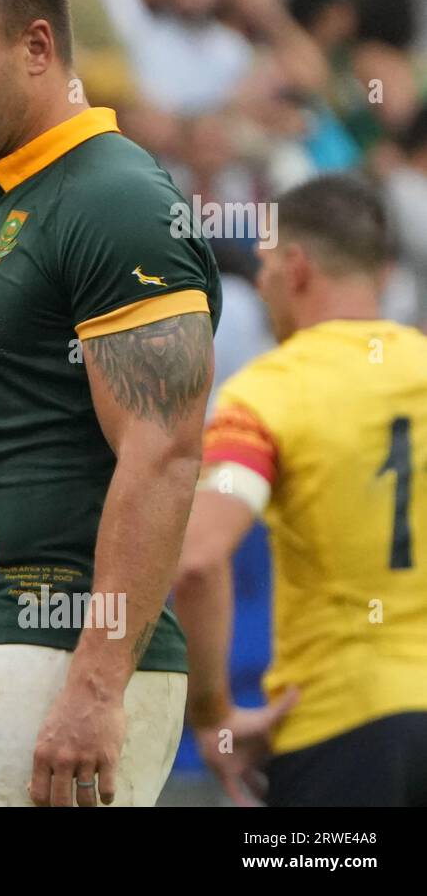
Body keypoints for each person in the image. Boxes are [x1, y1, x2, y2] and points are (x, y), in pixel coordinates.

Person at [0, 0, 221, 807]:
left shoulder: (116, 198)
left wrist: (95, 683)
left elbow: (165, 454)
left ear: (38, 45)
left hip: (57, 658)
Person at [175, 174, 427, 806]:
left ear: (297, 268)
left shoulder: (269, 392)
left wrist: (213, 715)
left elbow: (201, 559)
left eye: (262, 266)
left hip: (340, 726)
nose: (259, 285)